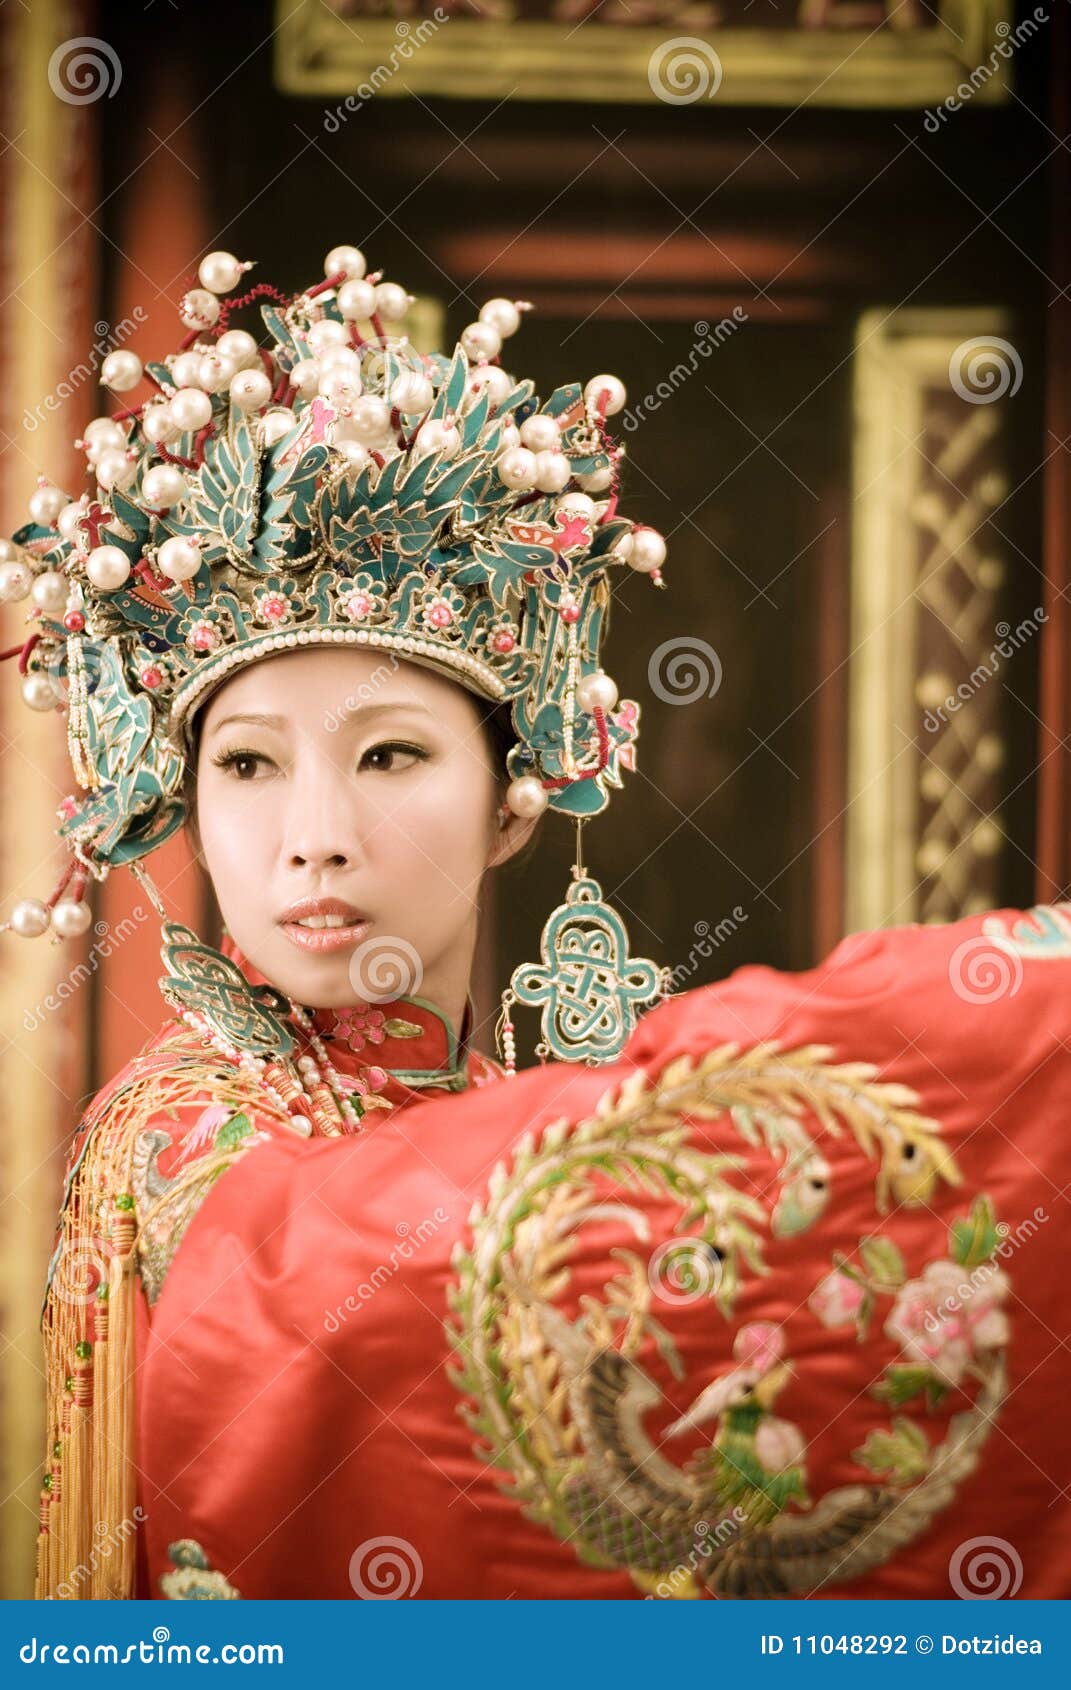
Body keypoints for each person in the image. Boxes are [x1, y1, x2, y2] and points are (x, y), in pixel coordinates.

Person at [1, 247, 1067, 1602]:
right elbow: (390, 1294)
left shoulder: (500, 1097)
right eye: (249, 764)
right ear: (191, 809)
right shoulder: (181, 1127)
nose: (314, 831)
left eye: (390, 754)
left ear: (515, 803)